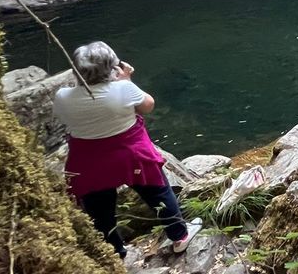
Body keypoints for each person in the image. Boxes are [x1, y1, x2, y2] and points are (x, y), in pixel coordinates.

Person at [52, 42, 203, 258]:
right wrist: (127, 80)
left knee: (99, 210)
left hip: (87, 161)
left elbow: (64, 117)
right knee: (159, 193)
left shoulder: (63, 96)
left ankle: (114, 253)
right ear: (112, 67)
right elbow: (148, 105)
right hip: (130, 155)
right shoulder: (123, 88)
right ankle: (179, 236)